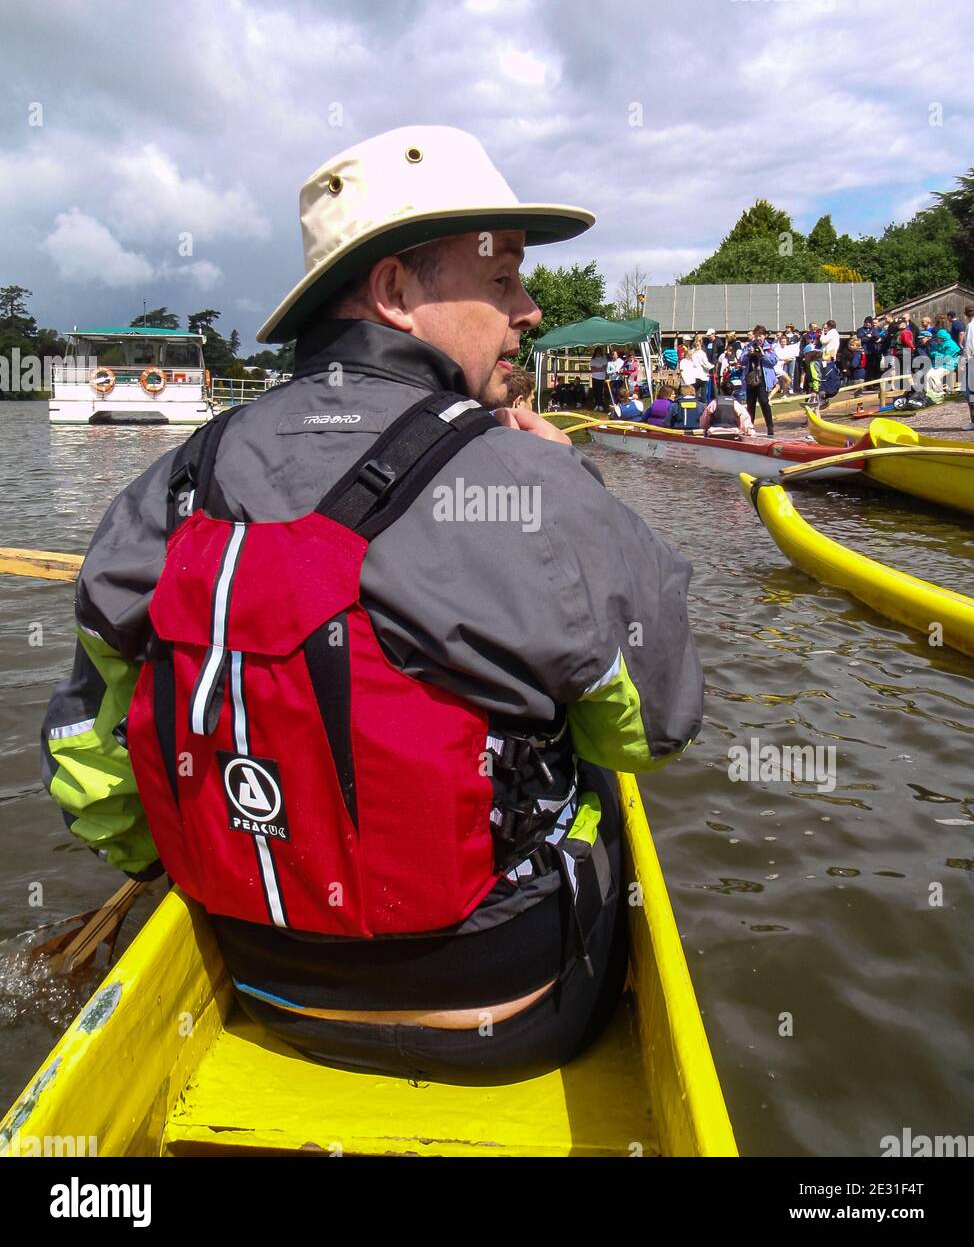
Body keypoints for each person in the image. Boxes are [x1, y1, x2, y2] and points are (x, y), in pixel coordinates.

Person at [40, 125, 703, 1086]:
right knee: (592, 764)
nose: (529, 309)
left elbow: (90, 768)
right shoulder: (527, 476)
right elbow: (657, 730)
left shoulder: (172, 481)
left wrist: (193, 856)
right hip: (512, 1008)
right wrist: (582, 492)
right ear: (396, 292)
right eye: (505, 278)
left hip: (270, 987)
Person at [738, 329, 776, 435]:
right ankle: (750, 427)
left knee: (764, 402)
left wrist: (762, 355)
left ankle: (770, 426)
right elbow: (741, 360)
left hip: (763, 377)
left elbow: (774, 361)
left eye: (761, 336)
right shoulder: (749, 346)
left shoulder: (769, 346)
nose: (758, 338)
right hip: (751, 377)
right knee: (751, 404)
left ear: (764, 336)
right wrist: (749, 354)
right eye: (757, 336)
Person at [589, 346, 608, 411]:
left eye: (599, 351)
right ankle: (597, 404)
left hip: (601, 377)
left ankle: (600, 405)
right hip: (595, 377)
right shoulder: (593, 359)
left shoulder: (604, 359)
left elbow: (604, 368)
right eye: (597, 351)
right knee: (595, 391)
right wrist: (600, 368)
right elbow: (592, 369)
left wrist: (597, 368)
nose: (598, 352)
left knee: (600, 392)